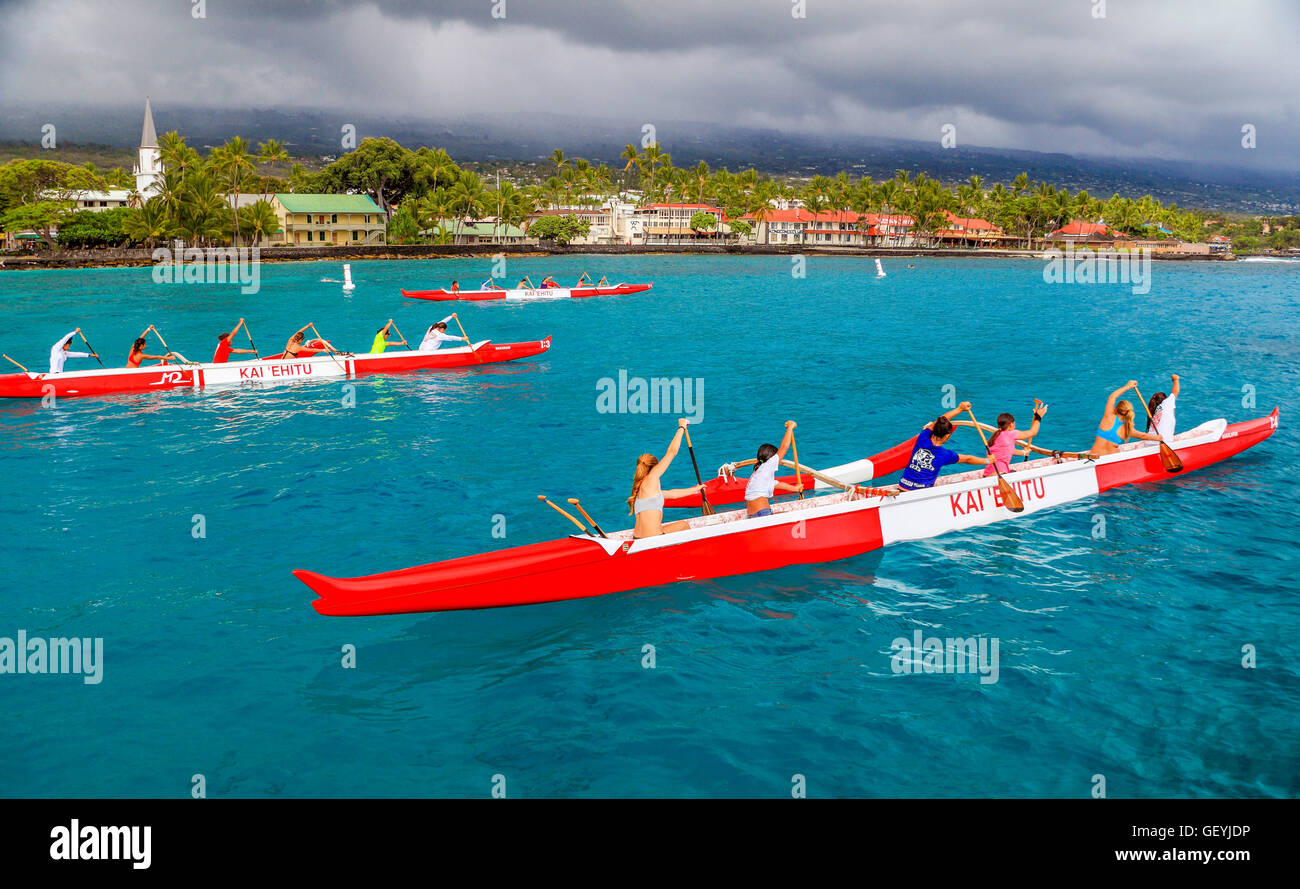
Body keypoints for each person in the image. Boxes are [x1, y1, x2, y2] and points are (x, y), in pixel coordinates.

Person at [628, 419, 707, 538]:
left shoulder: (642, 488)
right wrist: (682, 427)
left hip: (638, 538)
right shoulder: (652, 478)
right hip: (652, 540)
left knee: (680, 526)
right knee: (684, 526)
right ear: (654, 467)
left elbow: (672, 494)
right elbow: (672, 452)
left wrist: (695, 489)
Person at [898, 402, 991, 491]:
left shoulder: (923, 437)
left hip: (902, 486)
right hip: (919, 492)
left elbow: (939, 421)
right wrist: (988, 460)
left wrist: (960, 409)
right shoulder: (944, 455)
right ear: (947, 436)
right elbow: (968, 459)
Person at [745, 421, 804, 517]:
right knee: (794, 517)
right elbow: (784, 447)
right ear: (771, 458)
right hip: (763, 513)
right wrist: (790, 427)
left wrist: (795, 488)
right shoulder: (768, 465)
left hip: (752, 515)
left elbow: (777, 484)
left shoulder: (758, 475)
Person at [1091, 381, 1164, 455]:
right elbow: (1142, 436)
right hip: (1109, 459)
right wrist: (1157, 438)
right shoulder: (1127, 429)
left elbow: (1112, 397)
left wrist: (1128, 386)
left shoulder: (1108, 416)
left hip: (1093, 457)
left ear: (1116, 408)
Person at [982, 400, 1047, 476]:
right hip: (1000, 474)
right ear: (1011, 425)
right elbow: (1033, 432)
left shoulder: (996, 435)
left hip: (987, 474)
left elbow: (1007, 450)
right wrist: (1038, 417)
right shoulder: (1011, 434)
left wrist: (1023, 452)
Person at [1147, 374, 1180, 440]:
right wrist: (1175, 379)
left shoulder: (1153, 411)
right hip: (1162, 444)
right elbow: (1175, 391)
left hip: (1148, 443)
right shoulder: (1167, 403)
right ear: (1164, 399)